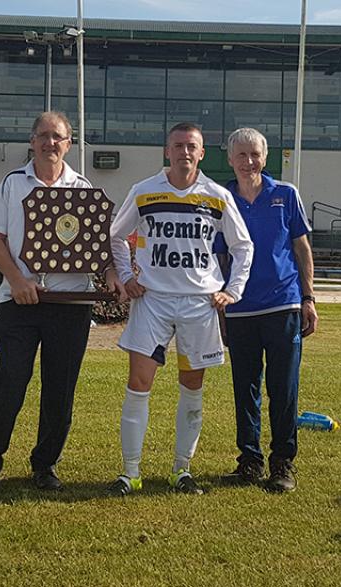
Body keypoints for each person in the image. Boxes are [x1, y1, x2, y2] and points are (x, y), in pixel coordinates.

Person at [0, 111, 126, 499]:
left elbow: (101, 247)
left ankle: (45, 466)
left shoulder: (84, 188)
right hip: (19, 302)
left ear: (69, 143)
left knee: (59, 391)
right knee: (8, 384)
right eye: (44, 136)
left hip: (71, 305)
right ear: (32, 142)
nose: (51, 143)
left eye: (59, 137)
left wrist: (112, 274)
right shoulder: (13, 184)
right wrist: (17, 280)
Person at [107, 122, 253, 496]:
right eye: (178, 146)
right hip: (152, 301)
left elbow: (243, 246)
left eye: (192, 146)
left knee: (192, 386)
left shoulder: (217, 195)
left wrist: (231, 290)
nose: (185, 152)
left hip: (198, 305)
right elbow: (116, 235)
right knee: (138, 385)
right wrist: (126, 276)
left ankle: (181, 470)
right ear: (166, 152)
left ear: (202, 153)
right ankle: (130, 473)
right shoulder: (144, 191)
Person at [216, 127, 318, 493]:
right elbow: (220, 255)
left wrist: (309, 298)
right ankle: (249, 460)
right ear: (230, 159)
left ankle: (282, 463)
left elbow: (301, 247)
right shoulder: (221, 199)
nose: (248, 162)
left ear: (265, 156)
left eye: (254, 154)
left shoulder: (286, 195)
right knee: (245, 389)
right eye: (241, 155)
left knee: (283, 388)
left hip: (283, 304)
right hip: (240, 309)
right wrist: (221, 307)